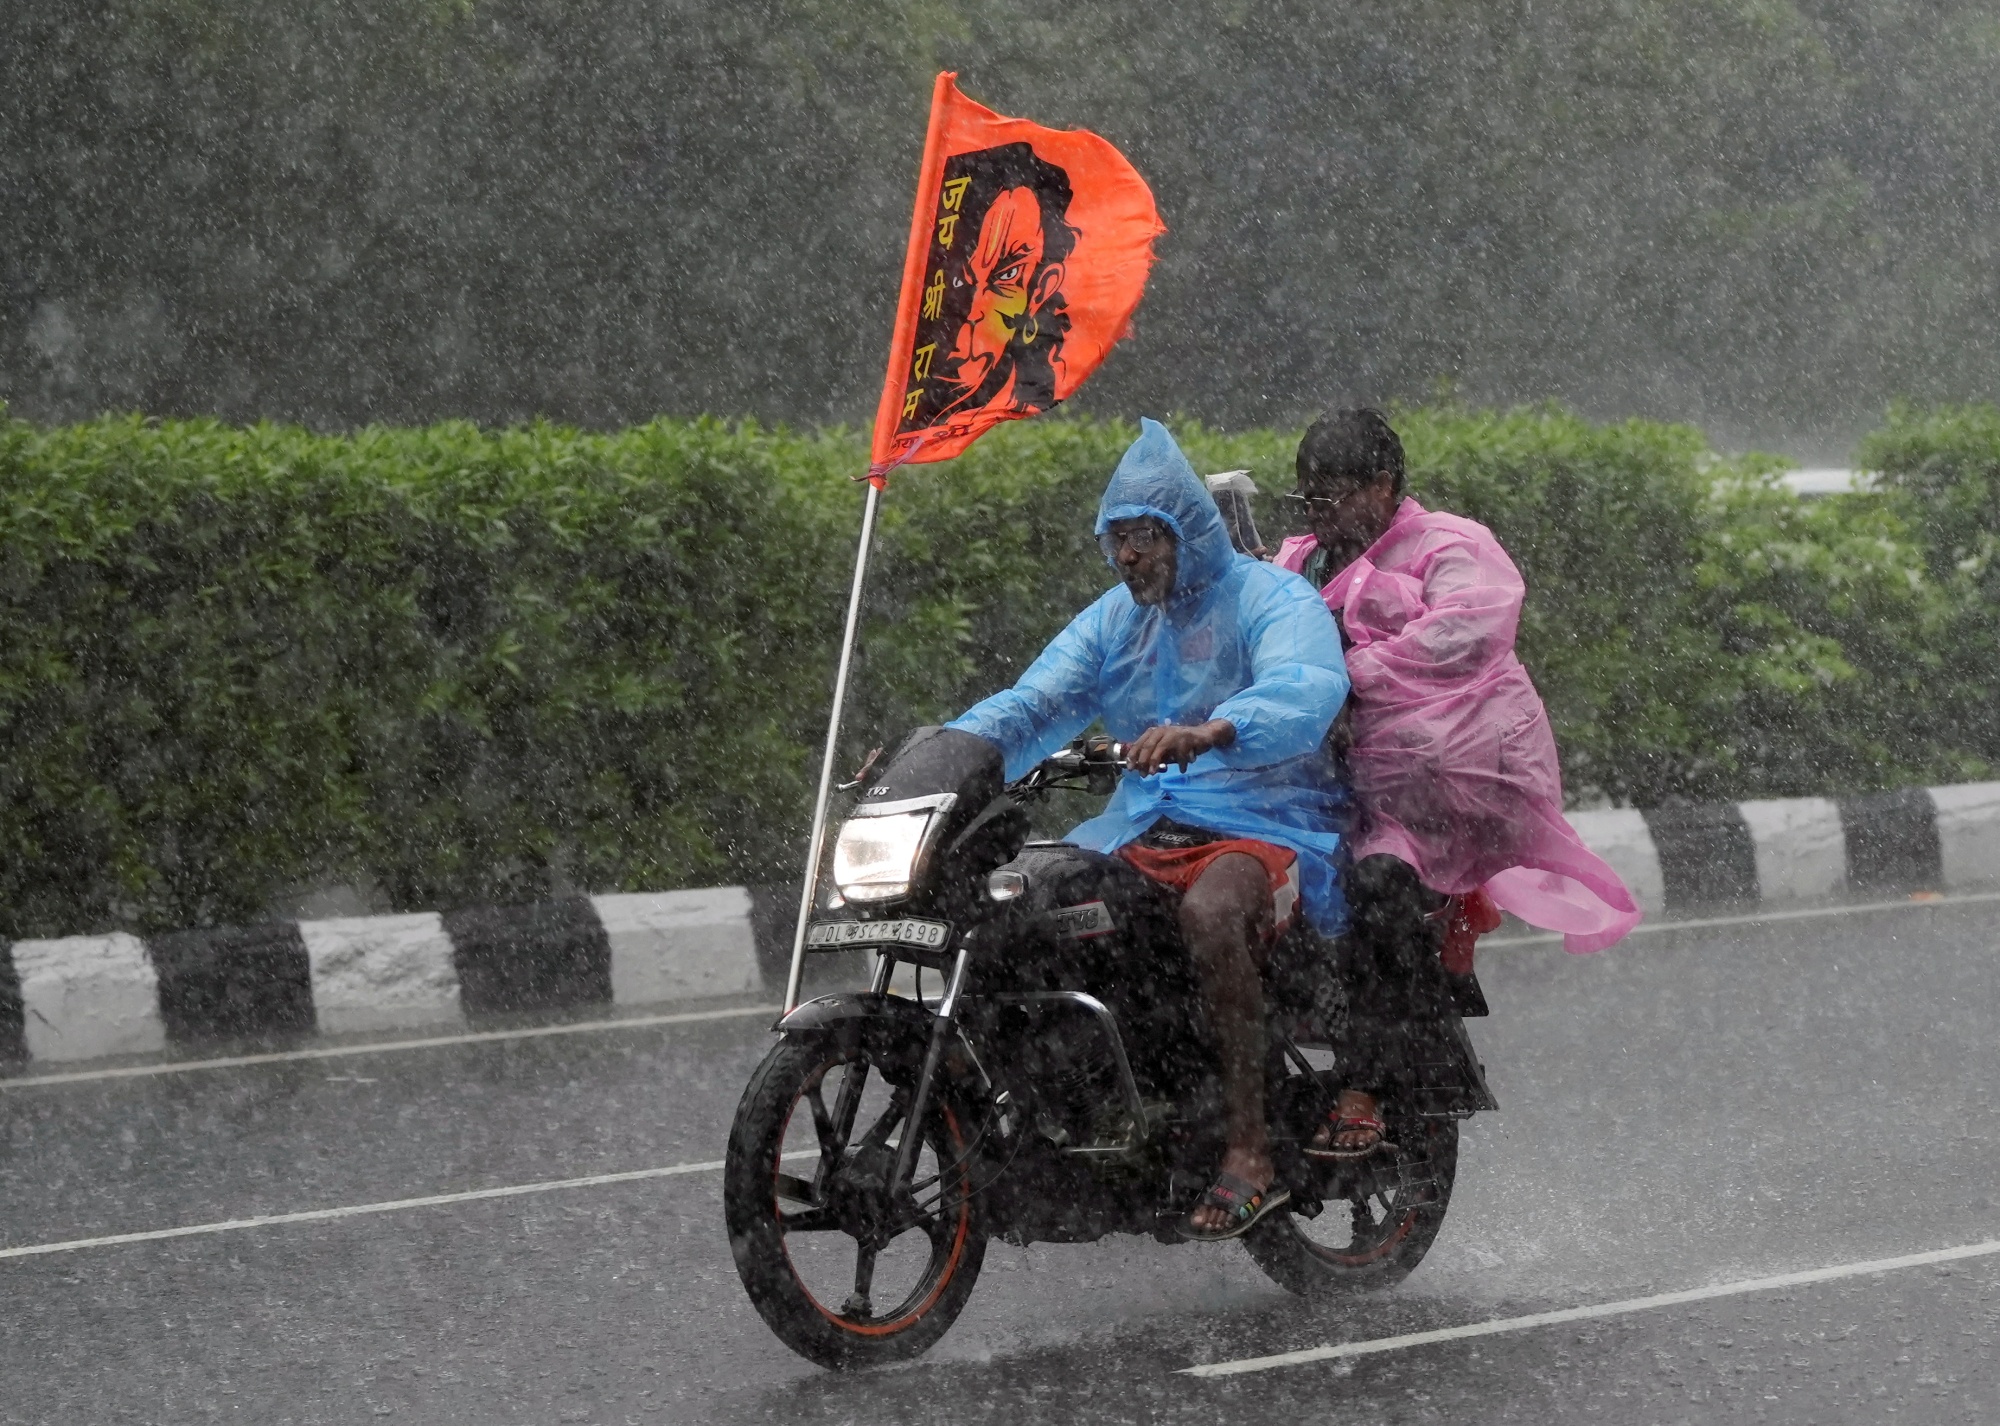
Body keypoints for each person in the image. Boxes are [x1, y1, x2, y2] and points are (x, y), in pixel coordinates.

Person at [948, 418, 1349, 1240]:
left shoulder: (1274, 598)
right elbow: (1036, 701)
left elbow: (1307, 685)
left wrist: (1216, 730)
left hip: (1265, 821)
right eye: (1117, 540)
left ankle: (1250, 1150)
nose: (1127, 557)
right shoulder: (1113, 622)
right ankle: (1066, 1122)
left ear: (1185, 535)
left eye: (1143, 538)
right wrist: (949, 752)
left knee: (1209, 914)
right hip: (1143, 827)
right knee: (1015, 912)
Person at [1274, 408, 1640, 1157]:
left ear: (1383, 486)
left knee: (1378, 892)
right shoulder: (1296, 559)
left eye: (1334, 497)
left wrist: (1349, 676)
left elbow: (1465, 633)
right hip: (1324, 784)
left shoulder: (1453, 546)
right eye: (1308, 501)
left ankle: (1366, 1088)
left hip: (1431, 796)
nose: (1321, 516)